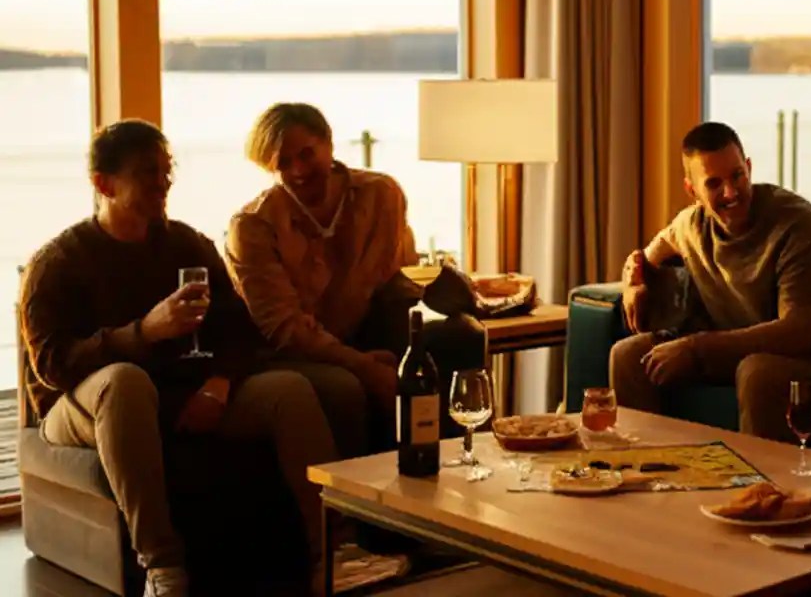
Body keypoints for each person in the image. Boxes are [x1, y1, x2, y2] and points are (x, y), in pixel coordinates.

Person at [19, 120, 337, 596]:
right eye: (148, 172)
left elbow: (238, 332)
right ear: (104, 184)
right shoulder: (59, 263)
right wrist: (144, 331)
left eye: (167, 171)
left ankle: (332, 552)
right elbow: (53, 365)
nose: (163, 183)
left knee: (288, 389)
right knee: (125, 382)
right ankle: (163, 567)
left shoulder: (185, 244)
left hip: (179, 394)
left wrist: (218, 384)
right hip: (79, 408)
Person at [225, 103, 478, 451]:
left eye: (306, 154)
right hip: (290, 353)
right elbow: (285, 328)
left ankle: (460, 465)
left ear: (328, 144)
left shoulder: (382, 195)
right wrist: (364, 366)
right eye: (283, 163)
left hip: (365, 330)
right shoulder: (253, 226)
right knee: (346, 386)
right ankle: (354, 499)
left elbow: (393, 281)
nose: (298, 170)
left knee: (459, 336)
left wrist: (407, 342)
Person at [611, 122, 811, 443]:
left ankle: (765, 491)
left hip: (807, 361)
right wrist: (634, 281)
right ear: (692, 190)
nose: (731, 192)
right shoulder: (691, 225)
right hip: (732, 352)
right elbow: (653, 250)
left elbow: (798, 332)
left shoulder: (798, 224)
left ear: (748, 167)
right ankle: (645, 472)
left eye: (737, 175)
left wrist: (696, 349)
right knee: (628, 356)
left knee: (756, 372)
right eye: (714, 183)